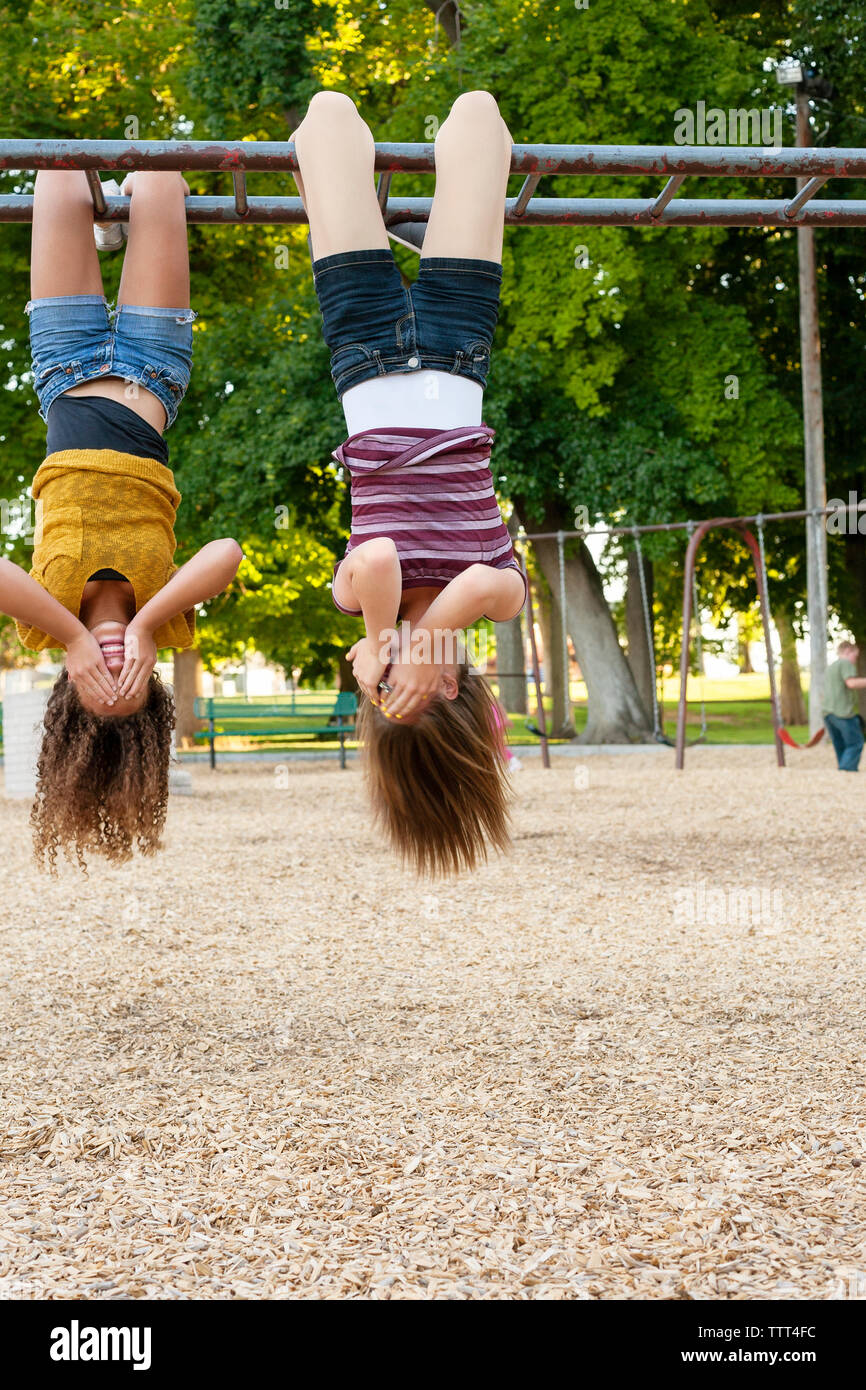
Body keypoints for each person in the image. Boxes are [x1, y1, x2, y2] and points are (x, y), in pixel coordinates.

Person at [290, 89, 527, 875]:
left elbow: (385, 552)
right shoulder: (498, 597)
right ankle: (421, 237)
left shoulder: (359, 599)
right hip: (461, 350)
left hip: (363, 351)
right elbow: (478, 593)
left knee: (327, 117)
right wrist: (426, 642)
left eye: (396, 687)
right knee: (477, 116)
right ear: (461, 681)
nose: (411, 675)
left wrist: (385, 637)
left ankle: (406, 233)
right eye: (437, 687)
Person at [0, 170, 243, 869]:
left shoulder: (42, 621)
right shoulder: (166, 621)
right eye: (128, 690)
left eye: (96, 687)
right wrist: (139, 626)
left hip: (63, 368)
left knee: (60, 173)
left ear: (71, 686)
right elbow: (224, 551)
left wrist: (73, 634)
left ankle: (108, 221)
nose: (112, 671)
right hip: (154, 372)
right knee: (164, 179)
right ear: (151, 685)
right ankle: (126, 214)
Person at [822, 639, 866, 771]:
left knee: (840, 744)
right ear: (848, 651)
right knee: (856, 742)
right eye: (855, 656)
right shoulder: (845, 663)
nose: (854, 660)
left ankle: (842, 771)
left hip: (828, 713)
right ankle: (846, 770)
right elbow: (851, 683)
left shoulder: (831, 667)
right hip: (842, 712)